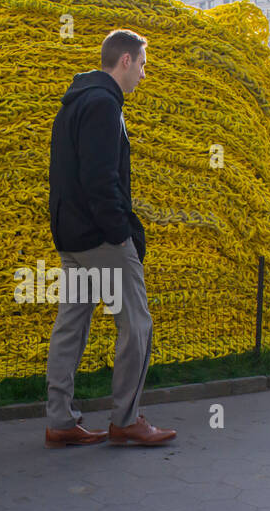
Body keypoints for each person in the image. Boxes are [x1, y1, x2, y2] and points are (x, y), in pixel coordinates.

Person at [44, 29, 176, 448]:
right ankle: (126, 419)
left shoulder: (74, 104)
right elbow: (100, 180)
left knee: (71, 327)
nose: (143, 74)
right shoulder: (103, 106)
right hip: (102, 239)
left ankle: (60, 422)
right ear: (124, 61)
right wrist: (122, 235)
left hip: (71, 236)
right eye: (141, 64)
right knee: (136, 325)